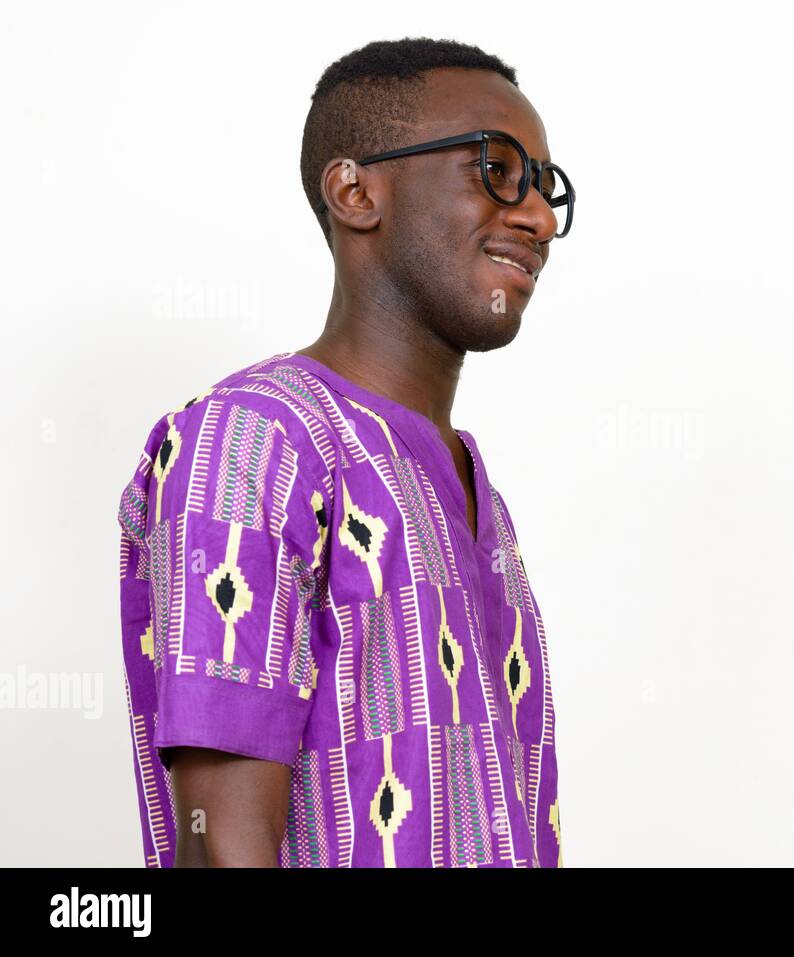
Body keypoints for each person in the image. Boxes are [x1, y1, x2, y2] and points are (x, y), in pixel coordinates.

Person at [116, 37, 572, 867]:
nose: (537, 217)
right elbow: (222, 847)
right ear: (357, 191)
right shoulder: (257, 439)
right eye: (498, 171)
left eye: (548, 189)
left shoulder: (474, 487)